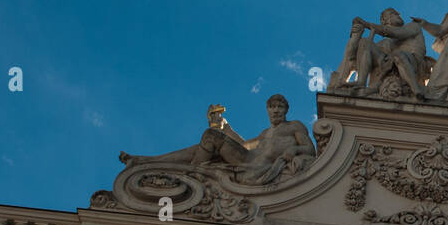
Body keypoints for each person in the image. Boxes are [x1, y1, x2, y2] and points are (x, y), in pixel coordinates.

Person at [119, 94, 315, 186]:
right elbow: (244, 145)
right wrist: (223, 126)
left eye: (280, 107)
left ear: (286, 110)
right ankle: (146, 161)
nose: (276, 110)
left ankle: (186, 177)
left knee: (209, 140)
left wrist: (295, 151)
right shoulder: (265, 134)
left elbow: (310, 150)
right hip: (247, 159)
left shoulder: (295, 126)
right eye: (273, 107)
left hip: (258, 168)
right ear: (267, 110)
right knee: (208, 140)